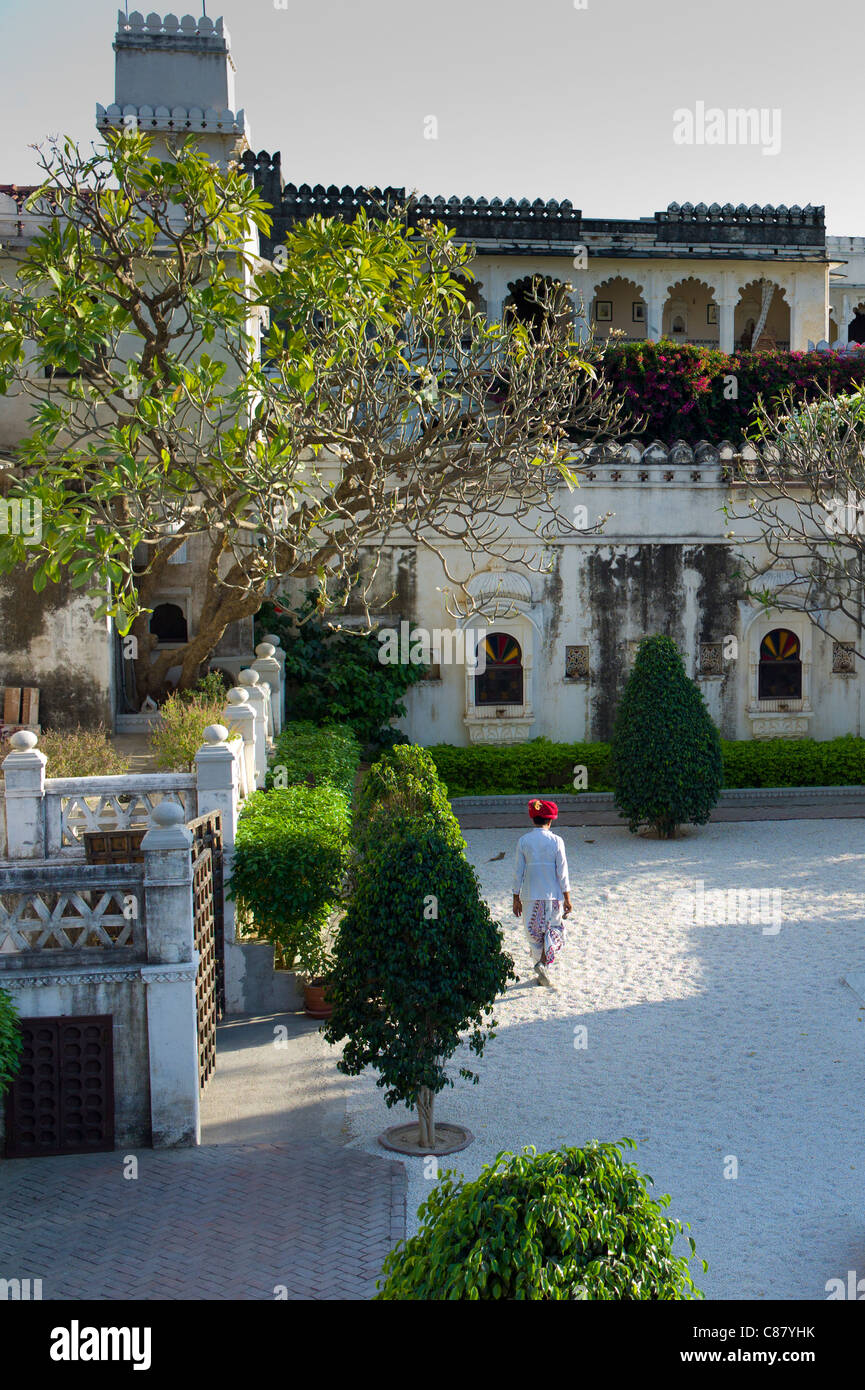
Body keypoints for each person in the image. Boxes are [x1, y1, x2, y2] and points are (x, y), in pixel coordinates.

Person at [512, 799, 572, 988]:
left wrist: (516, 897)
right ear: (550, 820)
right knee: (554, 929)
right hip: (552, 895)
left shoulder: (523, 841)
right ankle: (543, 964)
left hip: (529, 895)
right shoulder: (557, 841)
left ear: (533, 819)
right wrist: (568, 897)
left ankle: (540, 966)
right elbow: (562, 871)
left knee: (534, 934)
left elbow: (518, 871)